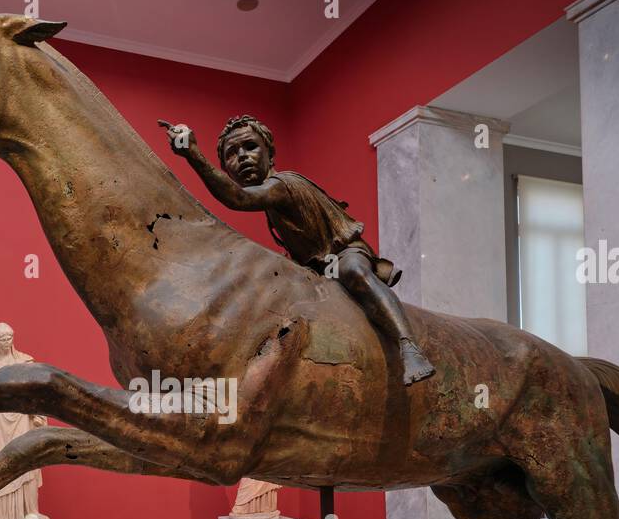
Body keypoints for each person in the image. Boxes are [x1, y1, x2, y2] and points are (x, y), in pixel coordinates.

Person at [158, 113, 434, 385]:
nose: (242, 156)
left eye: (251, 147)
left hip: (342, 255)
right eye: (232, 153)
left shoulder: (282, 185)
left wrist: (193, 154)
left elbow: (237, 198)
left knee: (353, 271)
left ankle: (408, 347)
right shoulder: (271, 198)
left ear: (270, 154)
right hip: (316, 268)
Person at [0, 322, 53, 519]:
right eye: (3, 338)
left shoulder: (24, 361)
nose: (8, 341)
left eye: (10, 337)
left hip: (20, 417)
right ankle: (1, 518)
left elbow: (36, 389)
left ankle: (32, 512)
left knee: (26, 464)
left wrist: (38, 413)